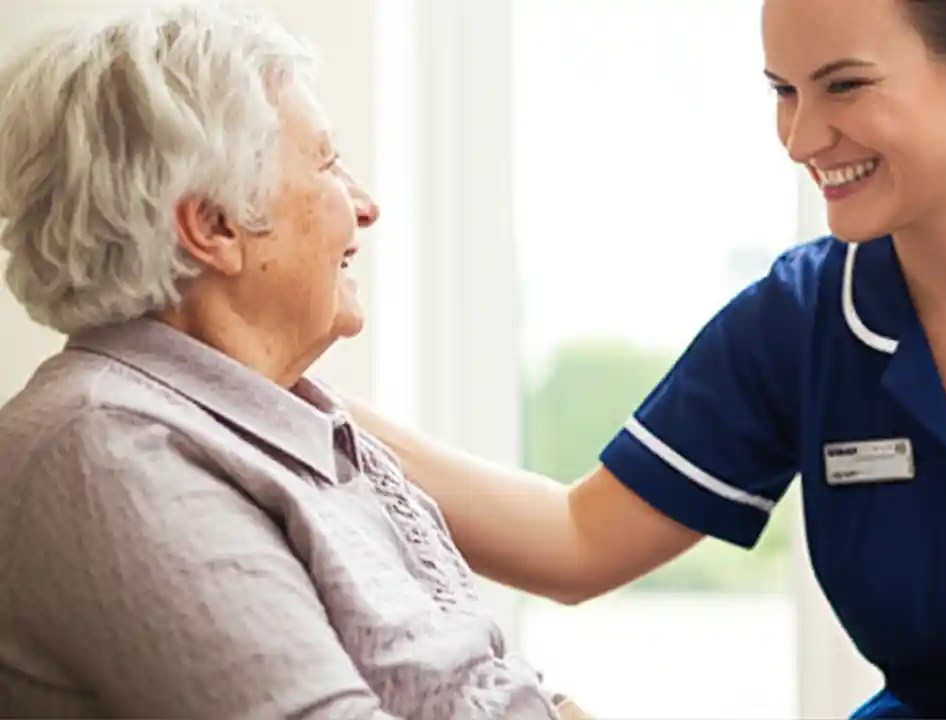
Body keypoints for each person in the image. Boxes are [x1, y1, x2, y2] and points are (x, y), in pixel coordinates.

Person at [348, 0, 946, 717]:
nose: (799, 139)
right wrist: (299, 406)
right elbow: (578, 539)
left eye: (844, 86)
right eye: (783, 91)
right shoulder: (802, 319)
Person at [0, 5, 577, 719]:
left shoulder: (290, 420)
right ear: (214, 225)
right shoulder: (107, 451)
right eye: (329, 162)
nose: (366, 207)